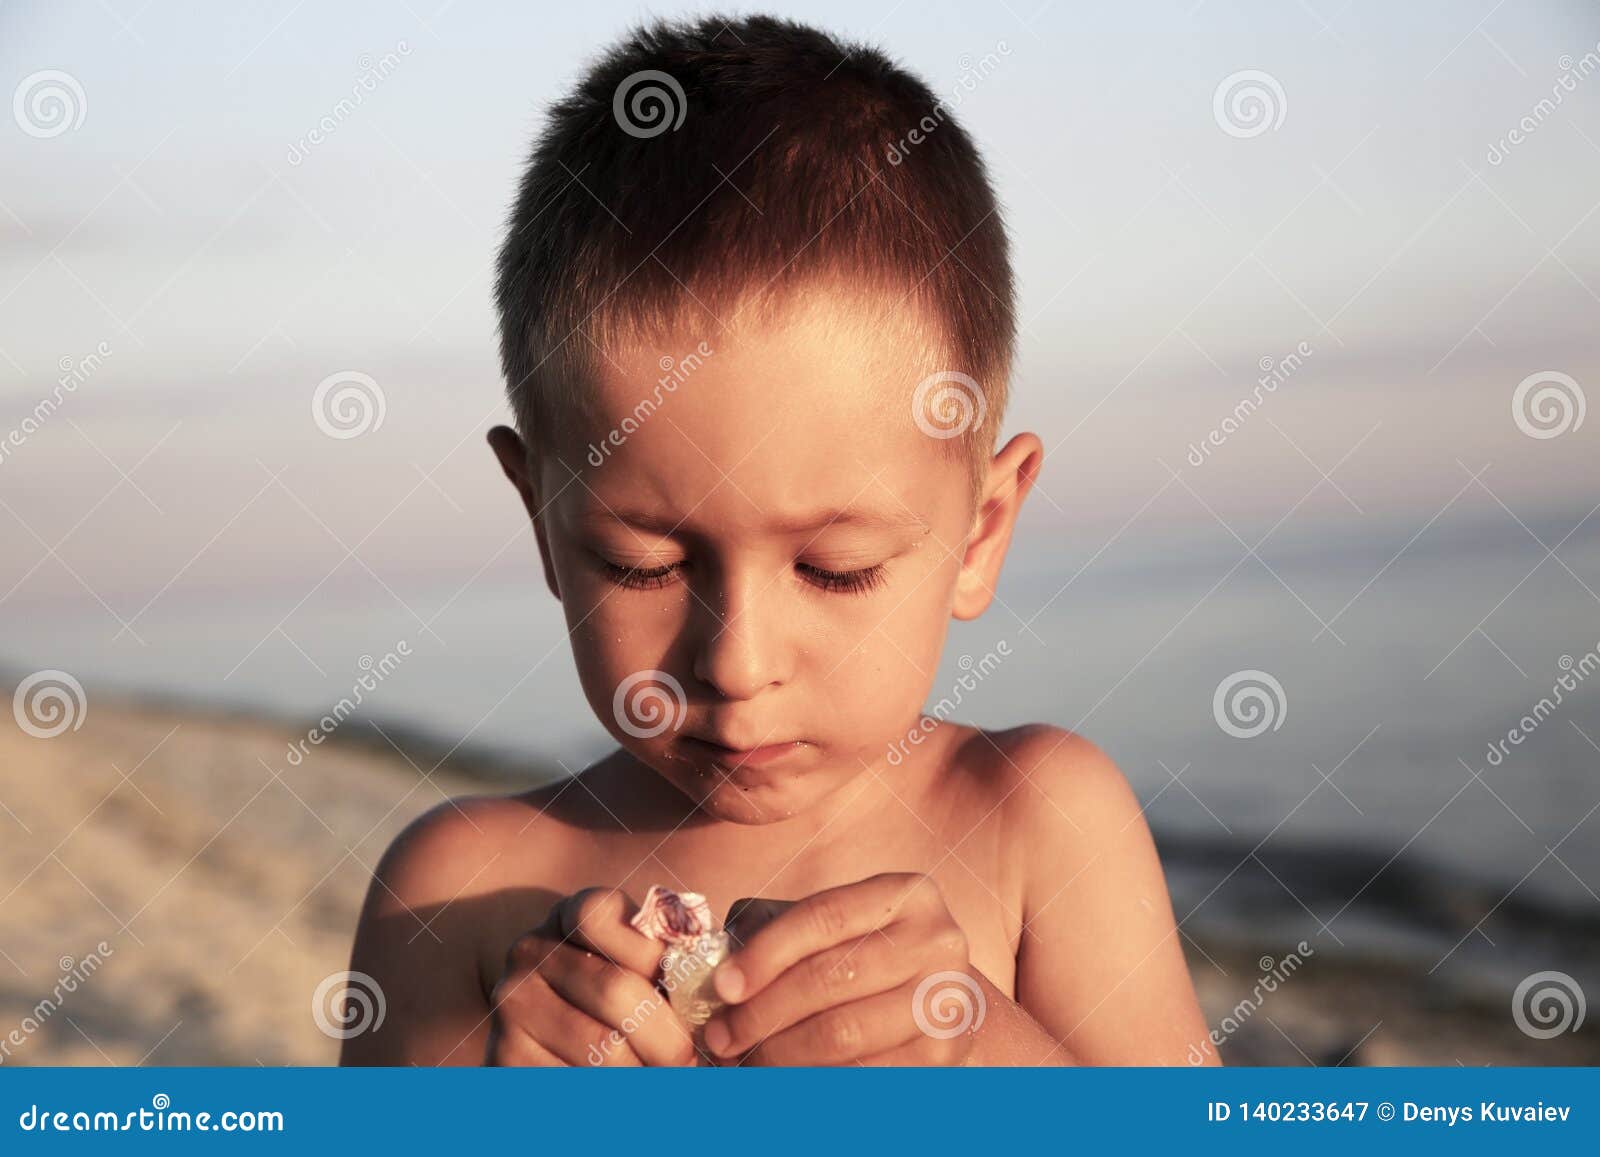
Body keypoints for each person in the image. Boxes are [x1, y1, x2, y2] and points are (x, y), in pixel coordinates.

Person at [342, 13, 1210, 1067]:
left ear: (979, 531)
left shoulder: (1038, 819)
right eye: (642, 563)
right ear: (542, 521)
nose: (735, 662)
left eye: (834, 570)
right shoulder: (459, 894)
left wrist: (984, 1047)